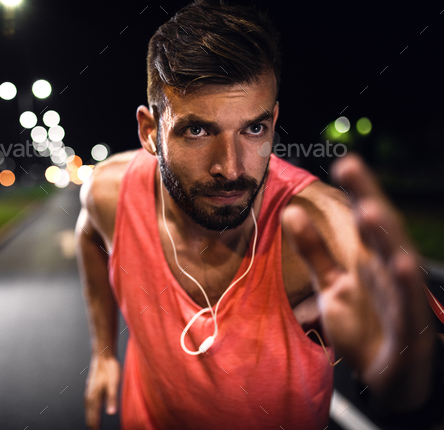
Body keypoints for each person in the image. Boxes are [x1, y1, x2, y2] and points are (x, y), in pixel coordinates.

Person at [75, 1, 443, 428]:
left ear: (273, 119)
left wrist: (403, 379)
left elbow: (423, 372)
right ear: (150, 132)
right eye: (197, 130)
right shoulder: (110, 191)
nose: (231, 168)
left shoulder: (322, 227)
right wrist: (103, 352)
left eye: (254, 128)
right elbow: (88, 237)